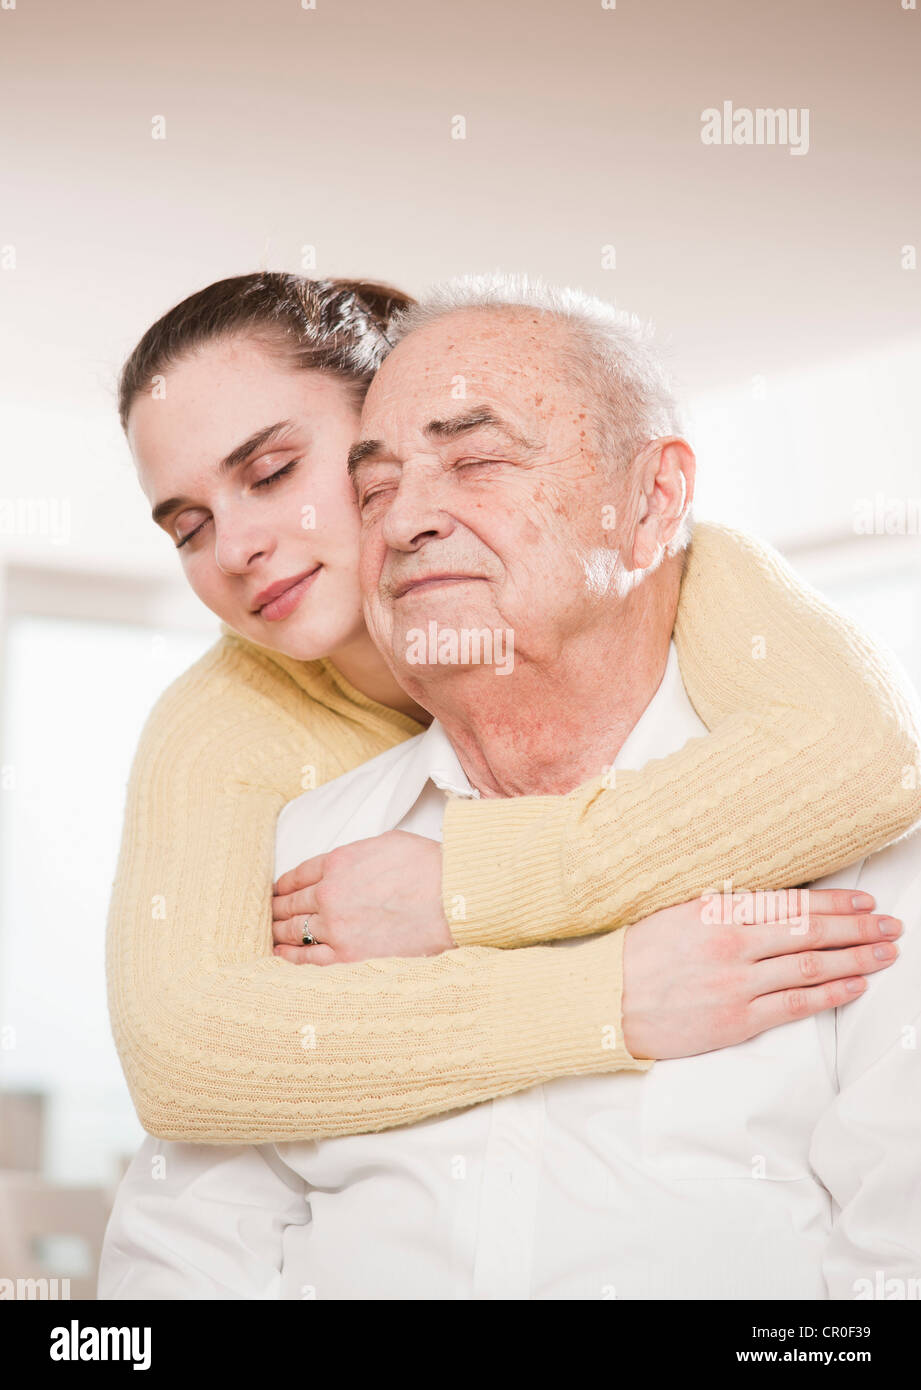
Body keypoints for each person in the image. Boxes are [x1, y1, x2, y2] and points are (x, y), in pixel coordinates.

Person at [98, 275, 921, 1300]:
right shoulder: (248, 771)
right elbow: (189, 1080)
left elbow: (868, 753)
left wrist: (463, 888)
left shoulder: (724, 615)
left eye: (271, 470)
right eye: (184, 526)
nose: (234, 548)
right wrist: (607, 998)